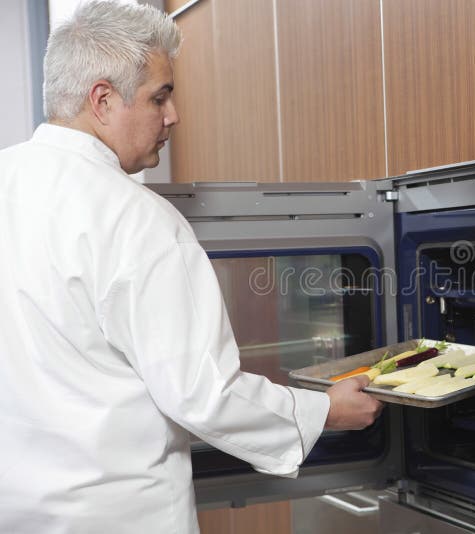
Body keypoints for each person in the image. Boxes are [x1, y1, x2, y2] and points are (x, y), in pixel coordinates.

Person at [0, 2, 382, 533]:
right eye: (160, 96)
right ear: (102, 100)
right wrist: (327, 412)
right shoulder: (135, 217)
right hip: (119, 518)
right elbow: (205, 395)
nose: (173, 115)